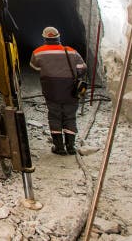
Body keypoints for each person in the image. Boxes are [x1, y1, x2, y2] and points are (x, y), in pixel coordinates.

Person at [29, 26, 88, 155]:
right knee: (70, 116)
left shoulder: (38, 52)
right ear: (58, 37)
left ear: (44, 38)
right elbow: (83, 68)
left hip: (51, 90)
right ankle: (71, 147)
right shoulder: (71, 51)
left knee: (54, 116)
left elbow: (34, 67)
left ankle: (59, 147)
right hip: (70, 90)